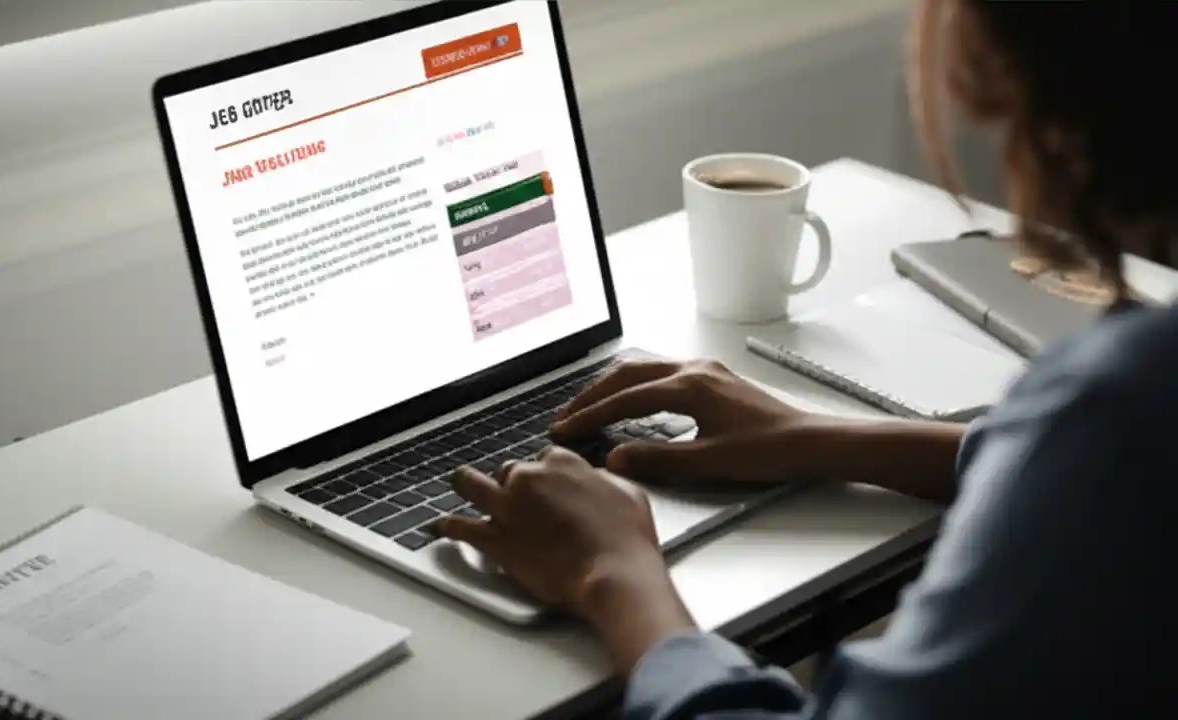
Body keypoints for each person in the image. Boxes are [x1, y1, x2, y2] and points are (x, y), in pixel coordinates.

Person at [433, 1, 1178, 717]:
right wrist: (824, 435)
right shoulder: (1123, 411)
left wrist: (615, 575)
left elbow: (1110, 457)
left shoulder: (1118, 409)